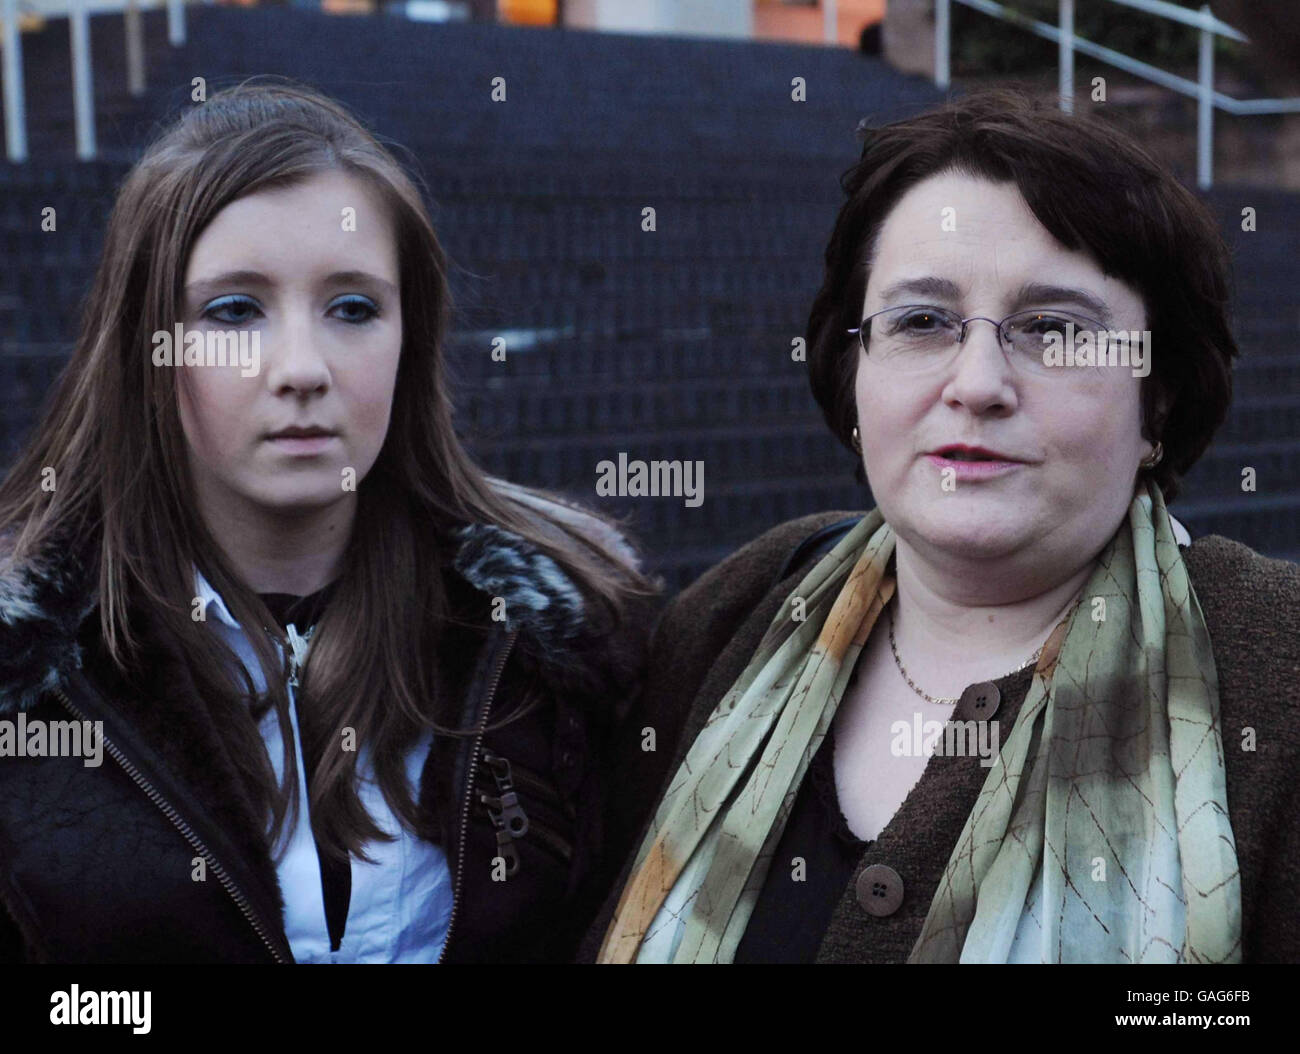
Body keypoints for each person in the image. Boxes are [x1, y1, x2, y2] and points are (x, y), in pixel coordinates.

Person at [587, 87, 1300, 964]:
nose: (978, 383)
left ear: (1159, 404)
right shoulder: (739, 613)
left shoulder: (1279, 667)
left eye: (1054, 329)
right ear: (854, 377)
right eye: (923, 321)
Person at [0, 81, 656, 964]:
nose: (302, 368)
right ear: (148, 346)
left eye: (352, 308)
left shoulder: (565, 640)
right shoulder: (28, 671)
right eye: (235, 310)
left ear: (408, 338)